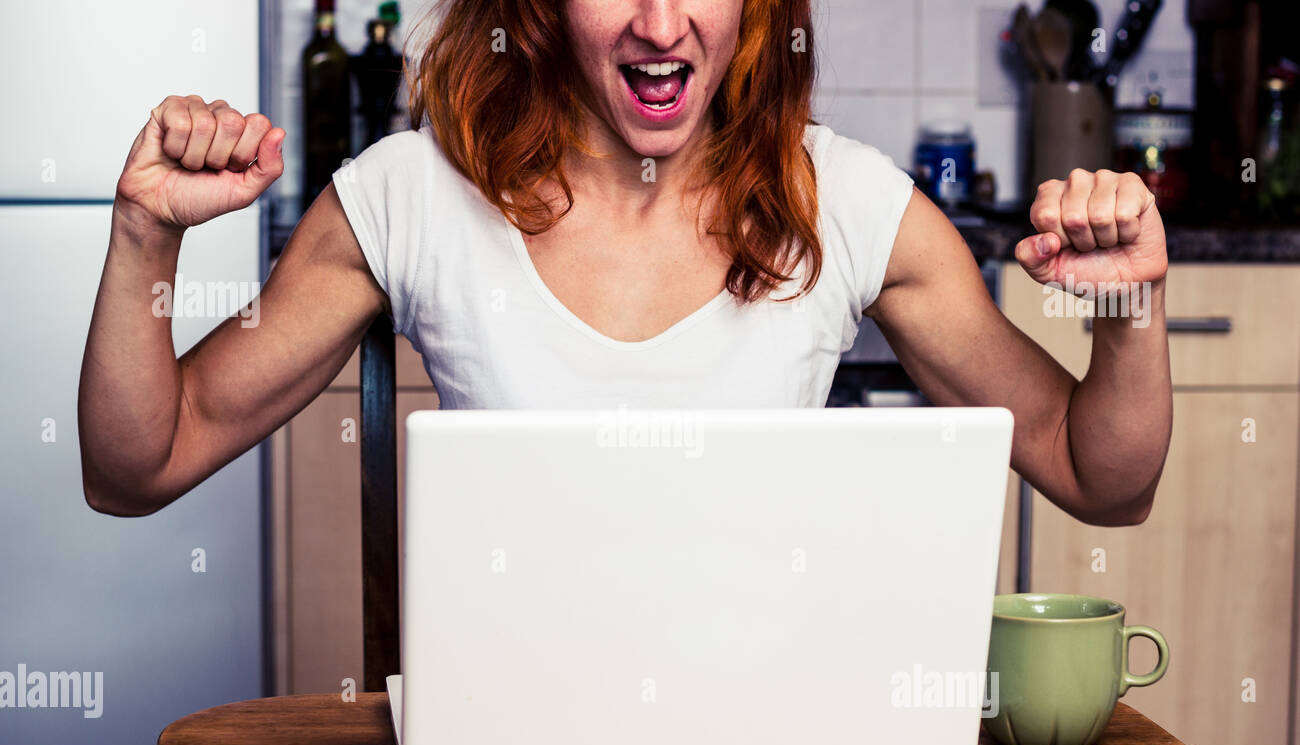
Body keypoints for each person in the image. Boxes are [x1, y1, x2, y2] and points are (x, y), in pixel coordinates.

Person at [80, 0, 1171, 527]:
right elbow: (139, 465)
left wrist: (1129, 302)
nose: (659, 22)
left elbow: (1100, 478)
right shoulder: (411, 194)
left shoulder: (843, 202)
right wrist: (145, 235)